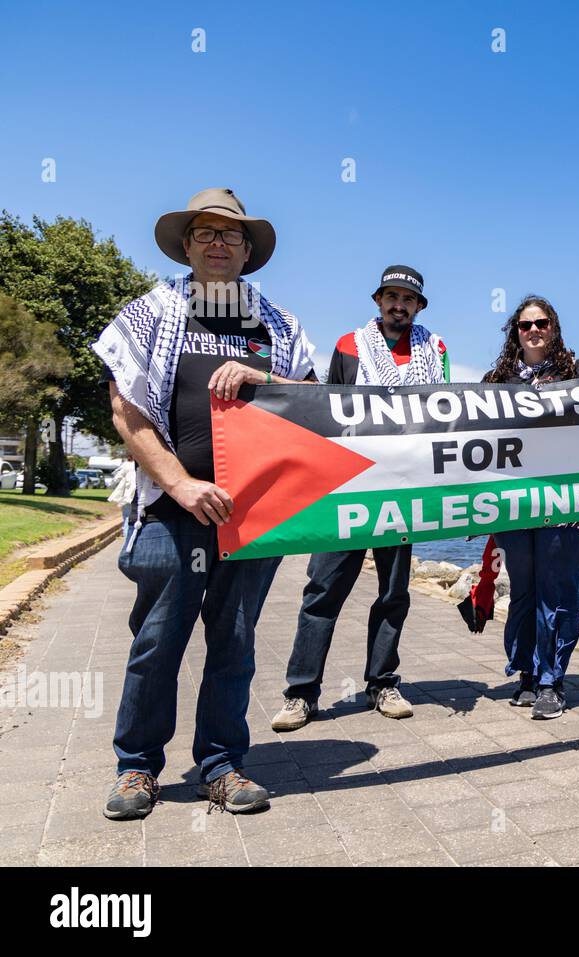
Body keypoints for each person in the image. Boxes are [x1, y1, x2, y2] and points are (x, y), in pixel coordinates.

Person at [92, 188, 317, 818]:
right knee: (157, 641)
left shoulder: (280, 326)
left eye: (231, 235)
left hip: (253, 515)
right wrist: (181, 485)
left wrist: (261, 377)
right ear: (187, 246)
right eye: (205, 233)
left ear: (248, 251)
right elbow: (126, 410)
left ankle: (221, 764)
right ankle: (137, 768)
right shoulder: (147, 317)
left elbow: (316, 405)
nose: (218, 243)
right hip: (173, 509)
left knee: (236, 643)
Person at [271, 266, 449, 731]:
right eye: (391, 296)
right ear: (378, 301)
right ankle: (301, 693)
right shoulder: (349, 346)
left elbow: (448, 413)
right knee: (322, 589)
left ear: (419, 306)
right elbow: (328, 410)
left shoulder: (437, 349)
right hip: (348, 485)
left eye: (407, 299)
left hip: (405, 487)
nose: (398, 305)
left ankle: (382, 682)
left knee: (393, 592)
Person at [477, 296, 579, 718]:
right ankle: (524, 670)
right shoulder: (496, 381)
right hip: (512, 504)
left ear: (554, 327)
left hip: (566, 502)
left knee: (557, 589)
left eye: (542, 323)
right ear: (515, 332)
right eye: (525, 325)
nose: (534, 330)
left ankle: (552, 681)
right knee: (523, 589)